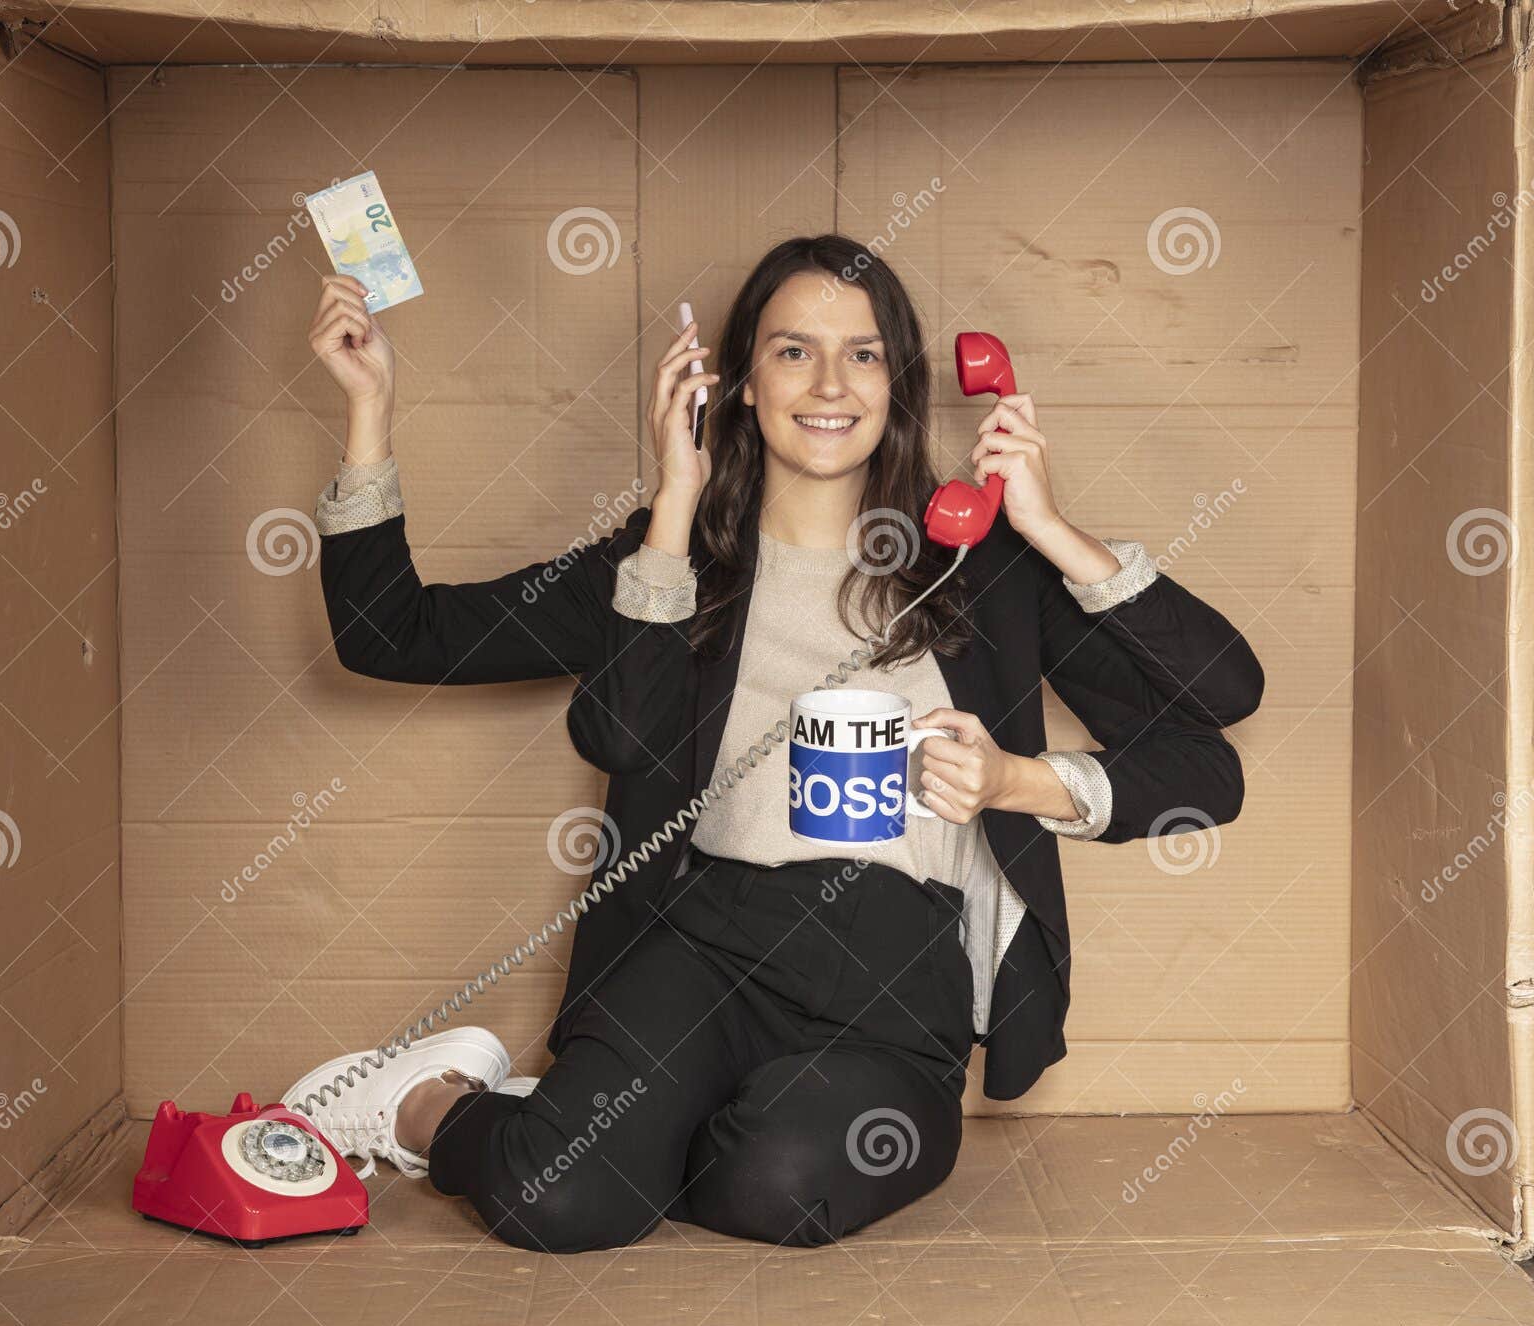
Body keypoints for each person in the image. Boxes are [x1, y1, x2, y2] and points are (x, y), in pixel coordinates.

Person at [284, 234, 1264, 1253]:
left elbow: (1218, 711)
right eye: (793, 351)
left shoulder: (977, 563)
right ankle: (433, 1102)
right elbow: (392, 636)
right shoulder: (672, 552)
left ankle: (614, 1122)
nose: (830, 382)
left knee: (780, 1187)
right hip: (704, 945)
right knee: (559, 1199)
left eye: (865, 353)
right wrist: (371, 411)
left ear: (900, 381)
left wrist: (1045, 562)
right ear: (741, 380)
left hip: (899, 974)